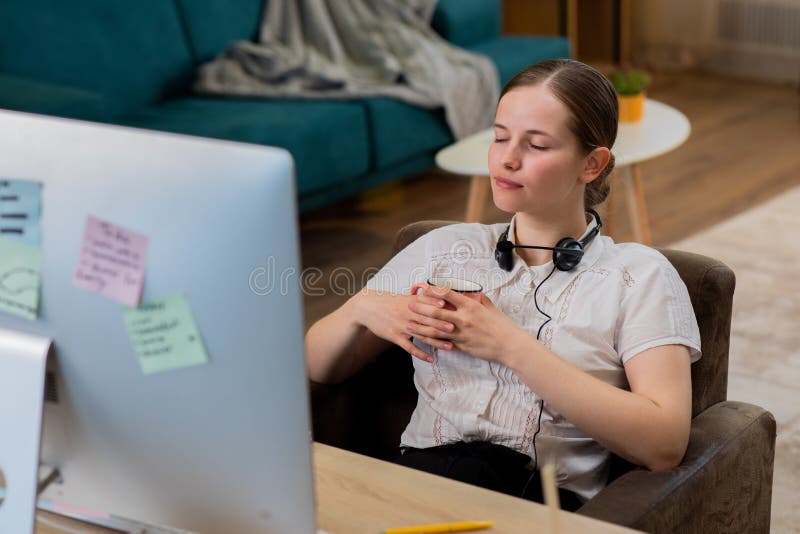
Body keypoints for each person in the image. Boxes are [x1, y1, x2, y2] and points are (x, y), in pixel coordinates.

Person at [305, 59, 701, 510]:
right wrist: (362, 308)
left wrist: (509, 346)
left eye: (536, 144)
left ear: (591, 164)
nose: (506, 158)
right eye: (499, 137)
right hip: (414, 484)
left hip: (535, 502)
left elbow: (664, 443)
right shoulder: (445, 248)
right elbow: (318, 366)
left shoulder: (638, 275)